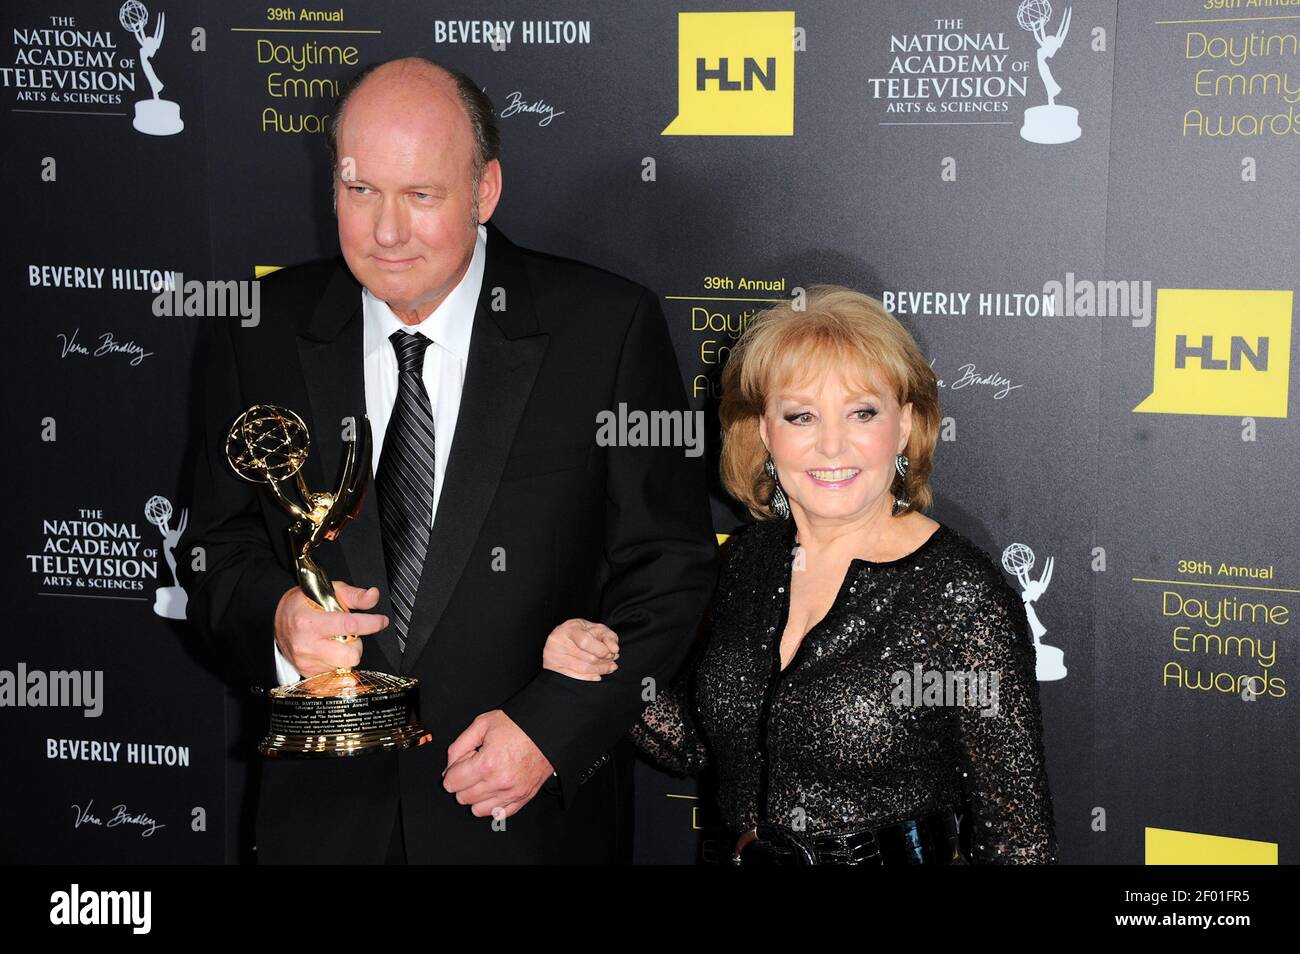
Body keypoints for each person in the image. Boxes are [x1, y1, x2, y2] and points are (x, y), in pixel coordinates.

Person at [177, 57, 716, 863]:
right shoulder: (256, 330)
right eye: (361, 192)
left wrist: (550, 730)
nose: (386, 231)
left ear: (484, 191)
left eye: (421, 195)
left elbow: (669, 567)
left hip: (526, 823)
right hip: (322, 827)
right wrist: (281, 624)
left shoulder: (603, 331)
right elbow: (214, 552)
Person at [545, 286, 1058, 865]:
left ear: (906, 424)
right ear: (764, 431)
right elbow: (697, 744)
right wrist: (602, 665)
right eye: (801, 415)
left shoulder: (959, 593)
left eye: (862, 412)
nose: (832, 444)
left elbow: (1019, 841)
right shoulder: (749, 560)